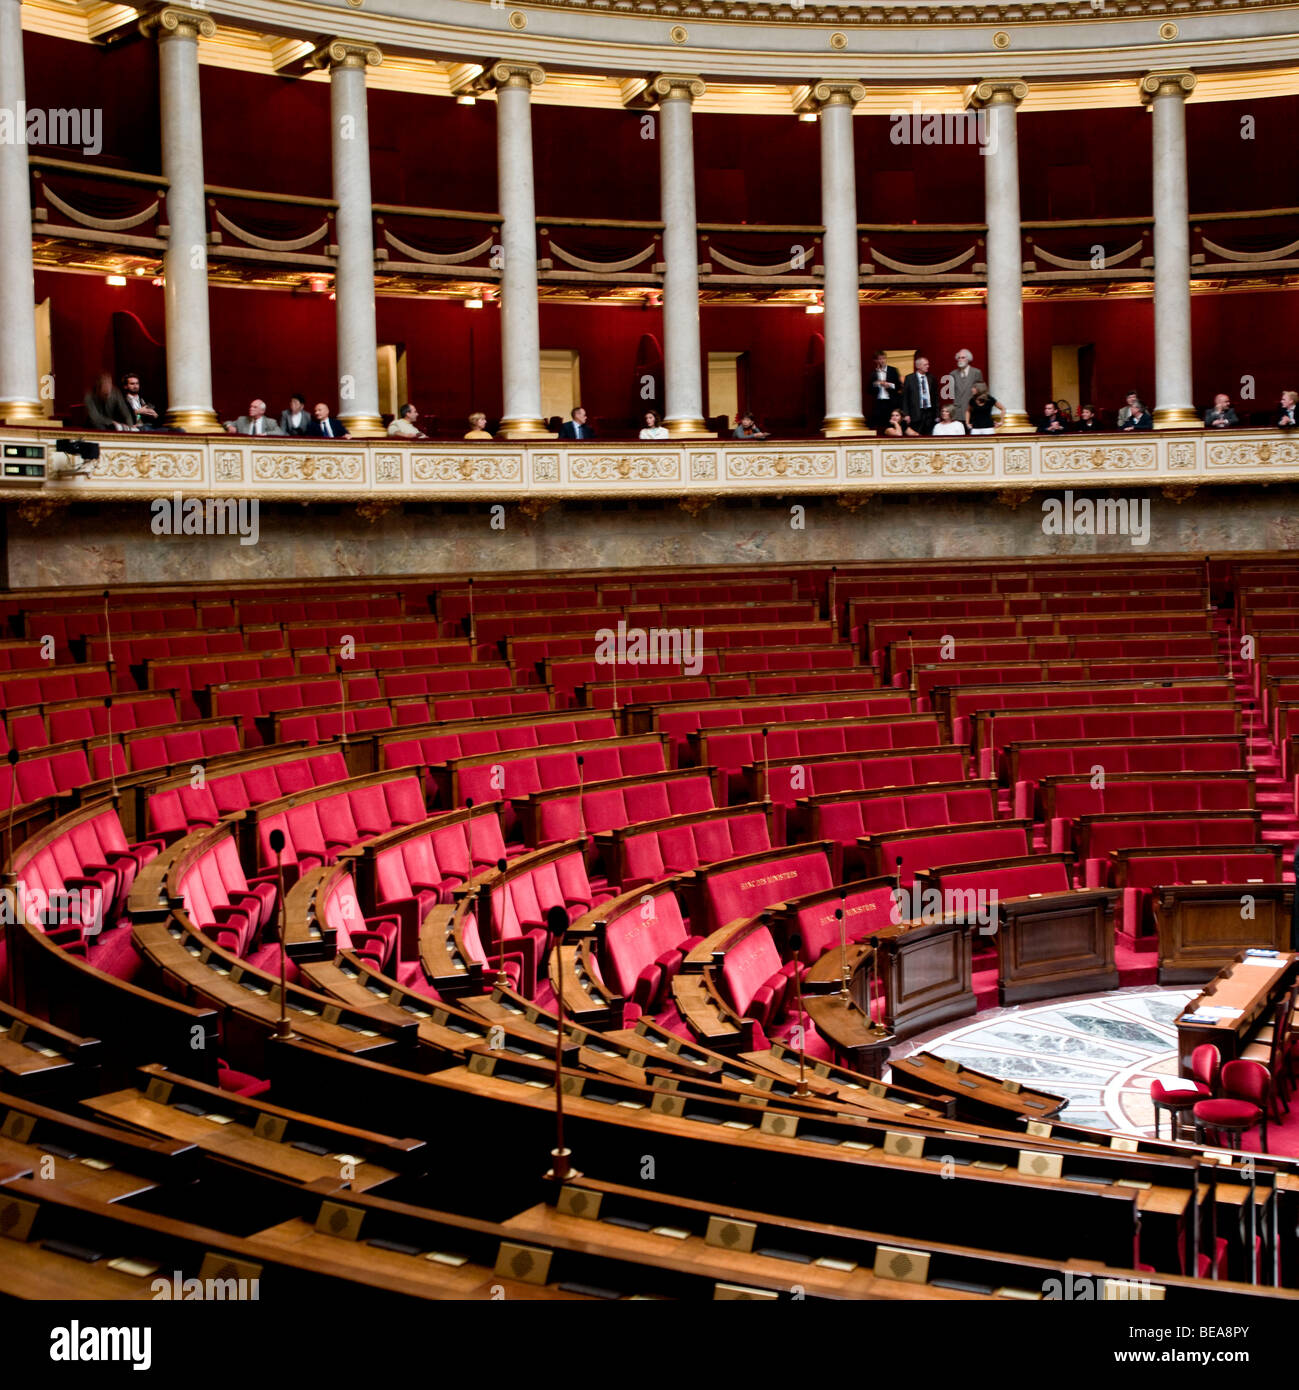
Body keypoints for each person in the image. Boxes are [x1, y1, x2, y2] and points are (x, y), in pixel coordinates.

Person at [901, 354, 938, 436]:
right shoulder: (909, 378)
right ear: (918, 366)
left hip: (929, 413)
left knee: (929, 435)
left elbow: (935, 397)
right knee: (916, 435)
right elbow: (905, 398)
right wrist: (906, 414)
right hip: (915, 413)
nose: (928, 366)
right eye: (925, 365)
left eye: (928, 364)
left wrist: (937, 414)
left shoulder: (931, 378)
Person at [867, 350, 901, 431]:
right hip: (879, 402)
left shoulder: (893, 370)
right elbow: (869, 390)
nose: (882, 361)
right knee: (879, 423)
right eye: (880, 359)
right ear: (876, 361)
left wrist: (889, 385)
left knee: (890, 423)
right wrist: (876, 384)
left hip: (891, 401)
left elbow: (899, 386)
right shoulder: (873, 373)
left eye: (883, 358)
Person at [948, 348, 983, 423]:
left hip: (972, 410)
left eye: (963, 357)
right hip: (958, 411)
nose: (960, 360)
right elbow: (951, 393)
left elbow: (981, 392)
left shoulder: (976, 372)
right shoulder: (952, 374)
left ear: (968, 359)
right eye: (959, 358)